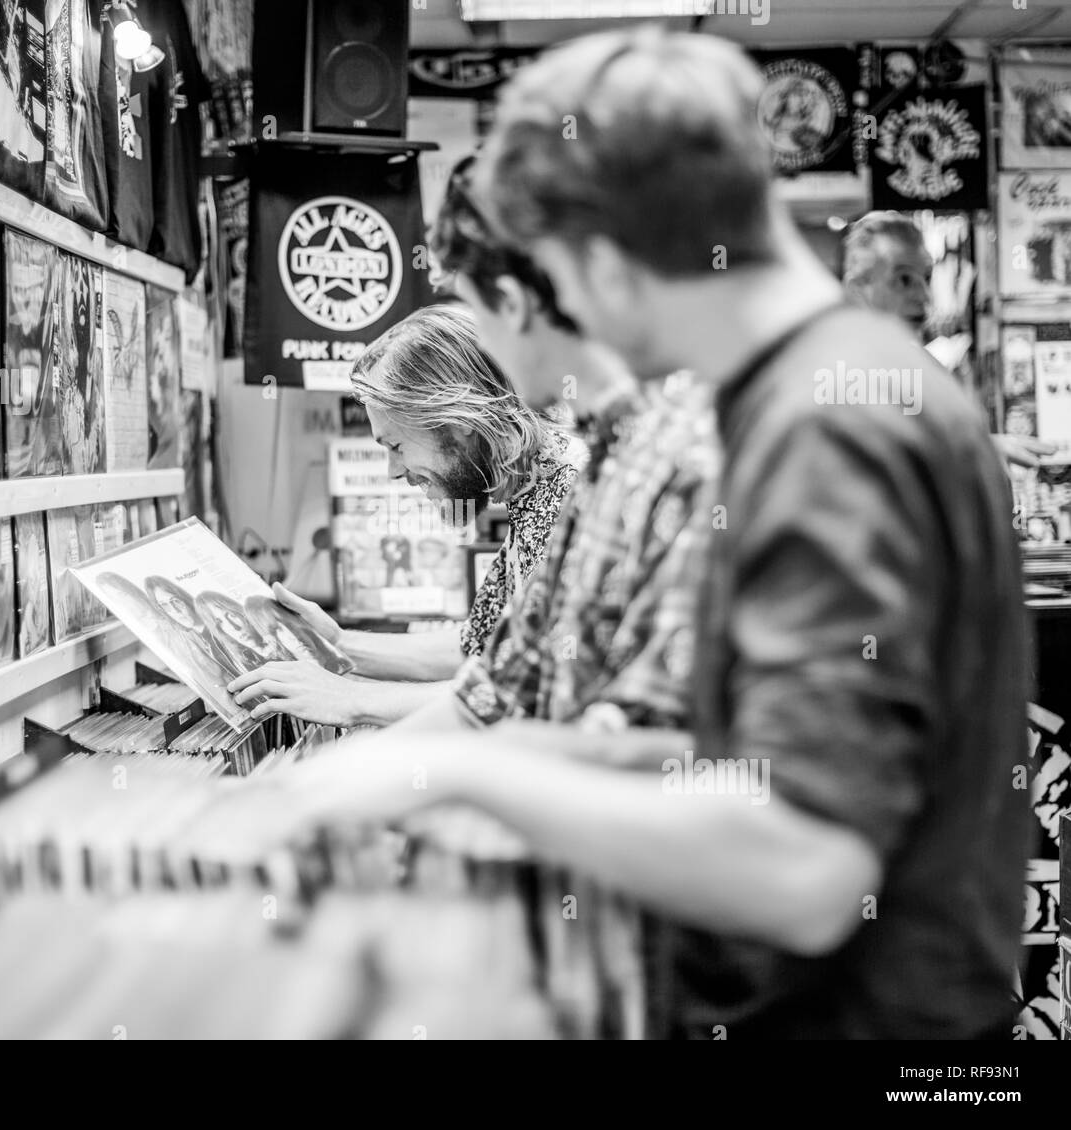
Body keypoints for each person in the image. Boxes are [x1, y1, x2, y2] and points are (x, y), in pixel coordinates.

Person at [205, 27, 1029, 1041]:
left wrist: (469, 771)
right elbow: (704, 747)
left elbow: (805, 864)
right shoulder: (795, 393)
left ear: (602, 252)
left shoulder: (827, 421)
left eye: (553, 269)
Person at [228, 304, 581, 727]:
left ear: (458, 420)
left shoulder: (571, 498)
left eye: (396, 446)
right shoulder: (533, 489)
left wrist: (353, 699)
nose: (393, 471)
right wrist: (336, 644)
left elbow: (535, 689)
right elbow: (479, 643)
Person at [844, 210, 1055, 468]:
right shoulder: (838, 368)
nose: (924, 296)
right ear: (858, 289)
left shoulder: (912, 361)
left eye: (926, 277)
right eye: (904, 280)